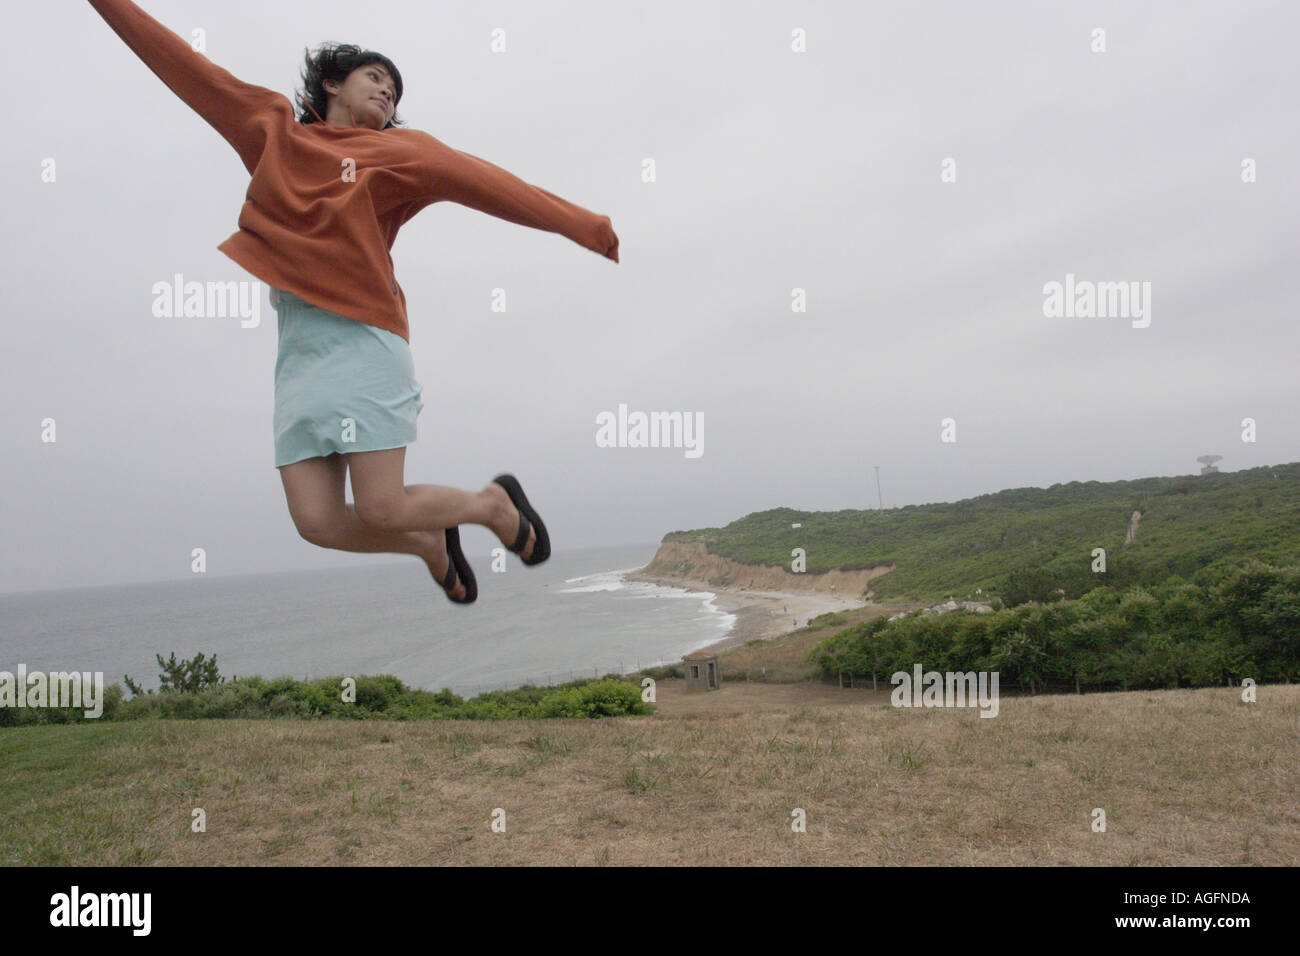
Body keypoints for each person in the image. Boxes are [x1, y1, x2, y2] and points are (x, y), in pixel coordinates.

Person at [87, 0, 619, 605]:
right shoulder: (273, 132)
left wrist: (583, 225)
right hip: (299, 354)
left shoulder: (401, 153)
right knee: (316, 522)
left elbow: (490, 182)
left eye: (394, 89)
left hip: (365, 339)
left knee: (381, 504)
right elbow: (185, 66)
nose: (387, 91)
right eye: (375, 77)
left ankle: (490, 506)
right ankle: (428, 545)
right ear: (332, 83)